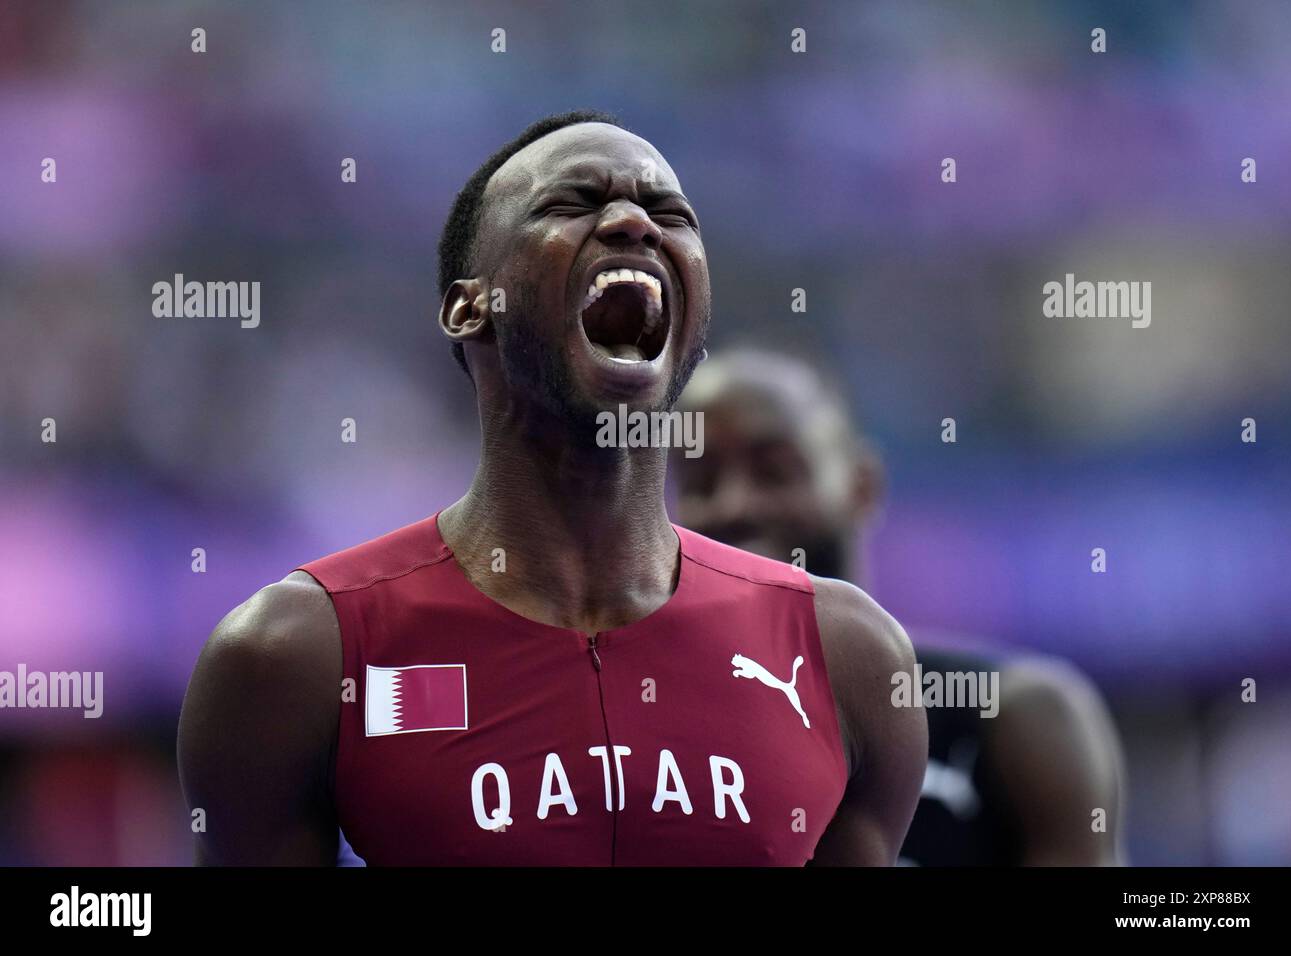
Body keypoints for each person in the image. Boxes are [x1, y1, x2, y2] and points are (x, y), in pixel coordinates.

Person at [177, 111, 927, 865]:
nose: (634, 221)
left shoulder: (847, 656)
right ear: (468, 307)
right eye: (571, 203)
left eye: (670, 214)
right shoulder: (302, 654)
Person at [674, 349, 1125, 865]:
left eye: (775, 472)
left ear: (861, 486)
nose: (736, 504)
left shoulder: (1018, 719)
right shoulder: (654, 726)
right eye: (701, 482)